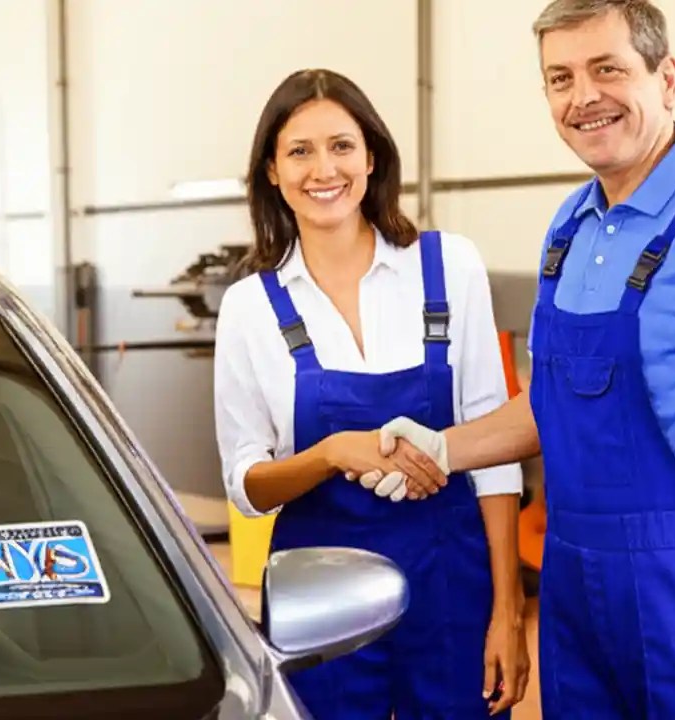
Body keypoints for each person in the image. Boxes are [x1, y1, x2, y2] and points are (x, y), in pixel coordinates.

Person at [374, 2, 675, 719]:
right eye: (560, 78)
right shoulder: (568, 224)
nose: (583, 97)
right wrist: (444, 446)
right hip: (575, 580)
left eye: (608, 69)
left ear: (667, 77)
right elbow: (556, 402)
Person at [213, 68, 530, 719]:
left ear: (372, 156)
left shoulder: (449, 267)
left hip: (450, 581)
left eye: (341, 146)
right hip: (317, 595)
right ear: (271, 171)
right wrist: (331, 453)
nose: (322, 168)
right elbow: (247, 488)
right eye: (299, 150)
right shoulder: (250, 307)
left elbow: (495, 453)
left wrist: (507, 610)